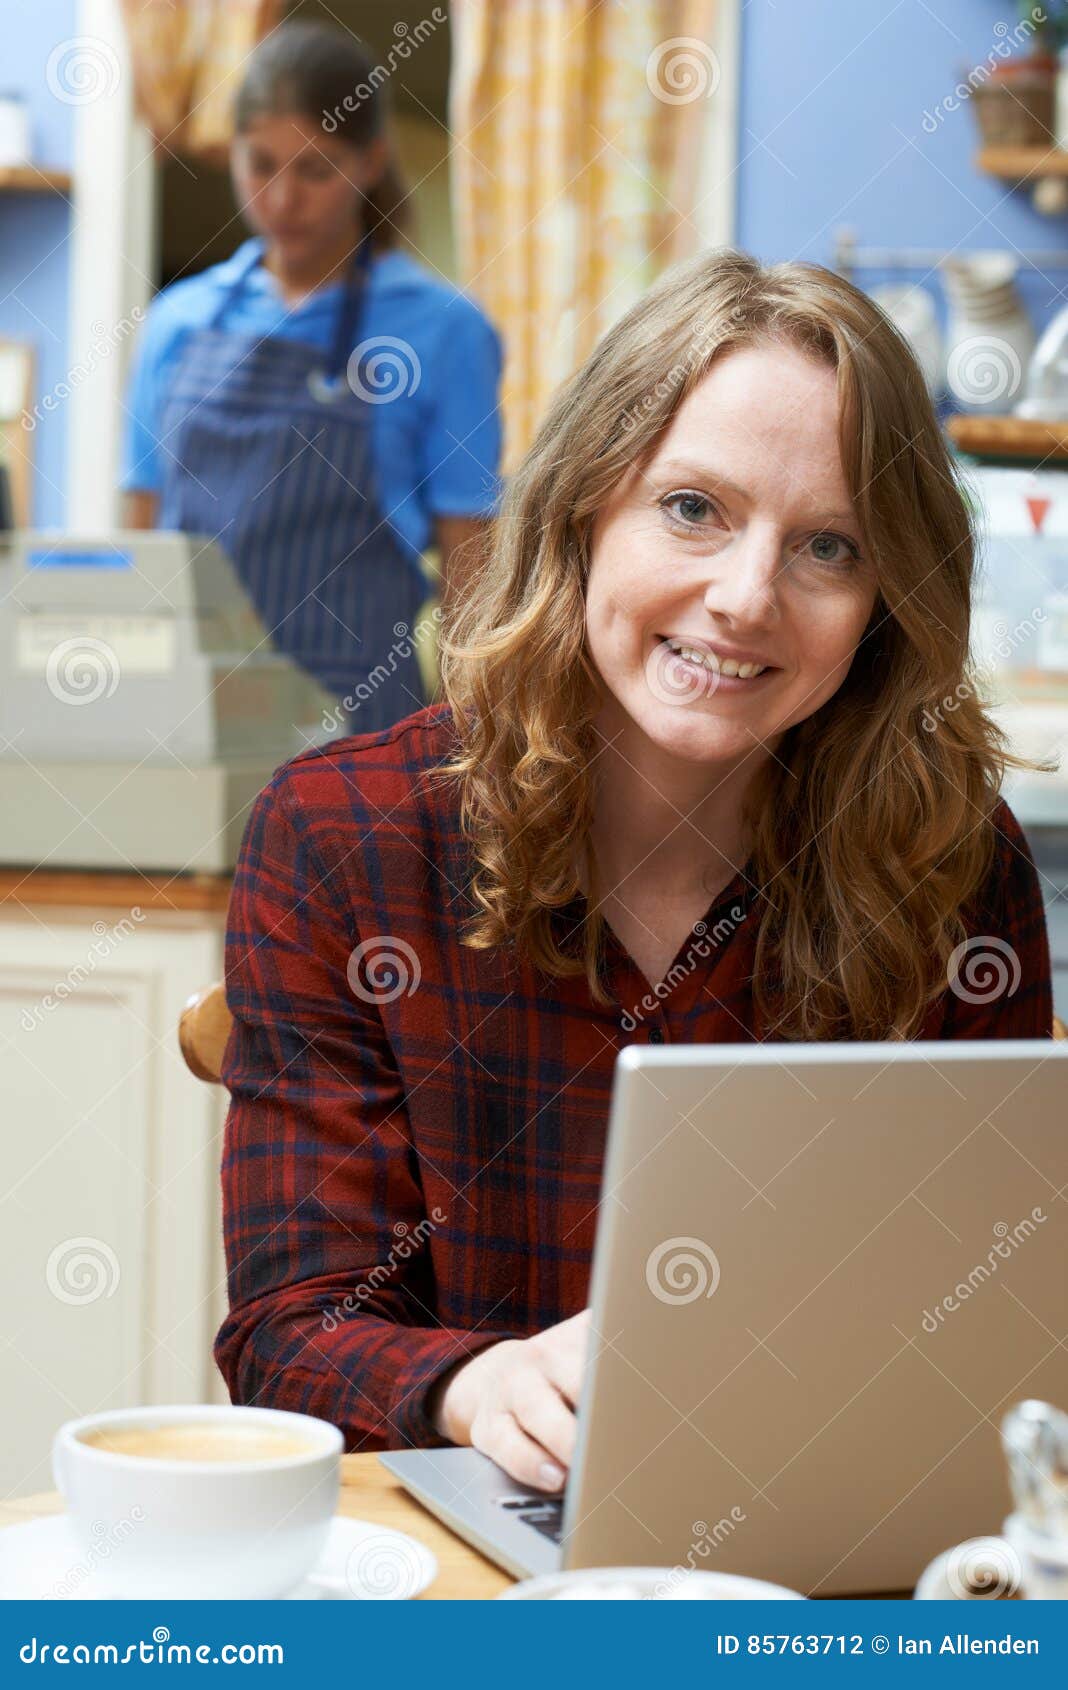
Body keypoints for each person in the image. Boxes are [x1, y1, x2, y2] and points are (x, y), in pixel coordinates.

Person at [214, 249, 1054, 1496]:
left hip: (824, 1554)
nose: (746, 597)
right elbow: (289, 1336)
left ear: (888, 596)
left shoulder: (954, 862)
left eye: (829, 545)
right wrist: (471, 1382)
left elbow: (1000, 1337)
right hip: (479, 1548)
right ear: (583, 505)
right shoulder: (346, 834)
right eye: (694, 508)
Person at [121, 20, 502, 729]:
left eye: (315, 170)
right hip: (187, 720)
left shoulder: (445, 330)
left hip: (357, 722)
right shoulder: (178, 322)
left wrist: (469, 748)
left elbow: (470, 573)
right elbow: (141, 540)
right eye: (260, 164)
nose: (283, 200)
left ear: (370, 162)